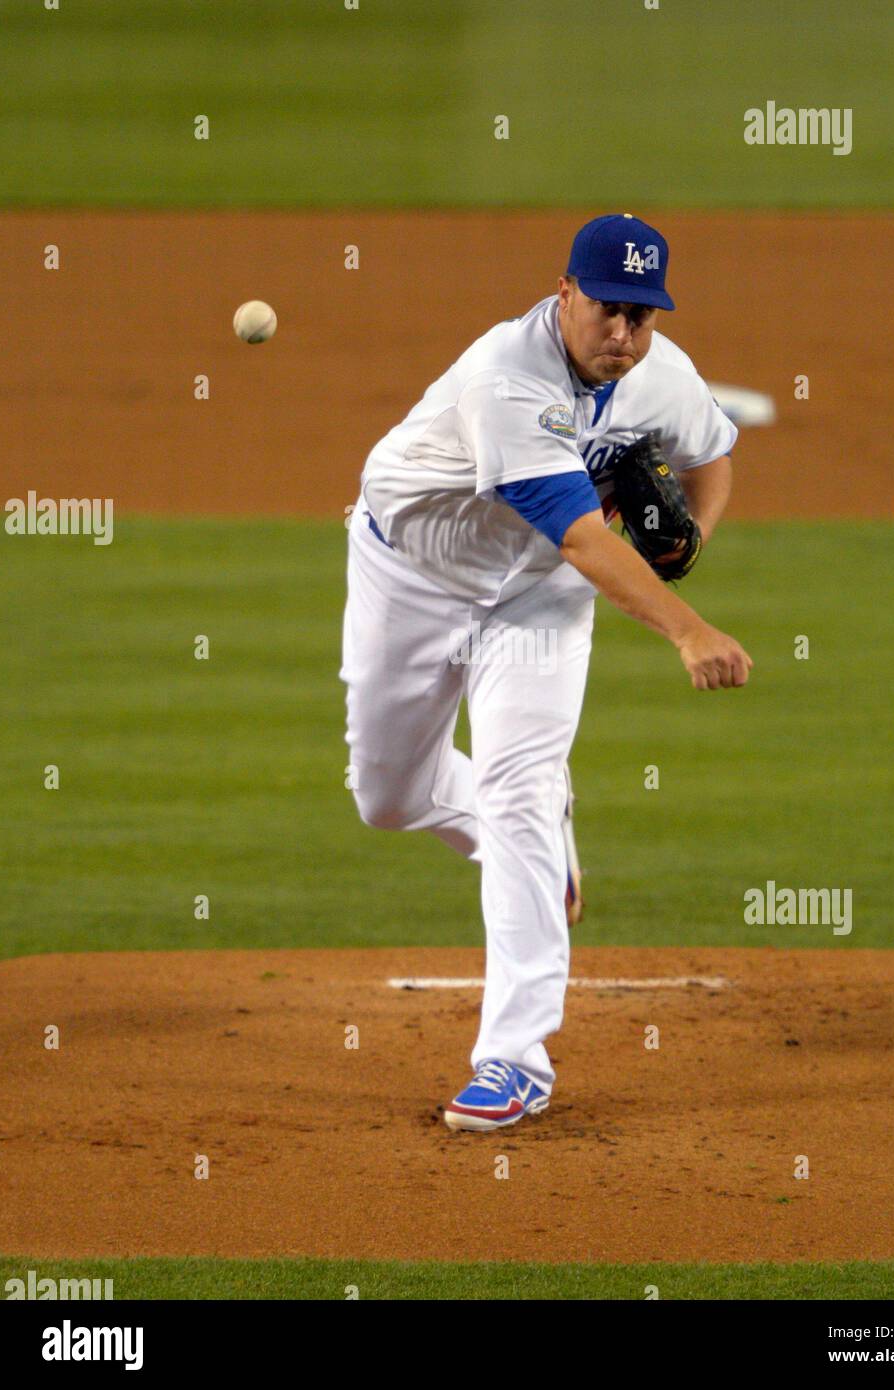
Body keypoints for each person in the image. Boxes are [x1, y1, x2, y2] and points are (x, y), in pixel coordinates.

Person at [340, 214, 751, 1132]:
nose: (624, 334)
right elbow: (579, 533)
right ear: (564, 292)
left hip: (537, 603)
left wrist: (690, 545)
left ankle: (512, 1061)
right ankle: (532, 835)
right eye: (608, 309)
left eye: (642, 316)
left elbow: (711, 453)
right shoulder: (505, 376)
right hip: (410, 578)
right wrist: (685, 629)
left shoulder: (659, 368)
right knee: (387, 797)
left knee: (519, 790)